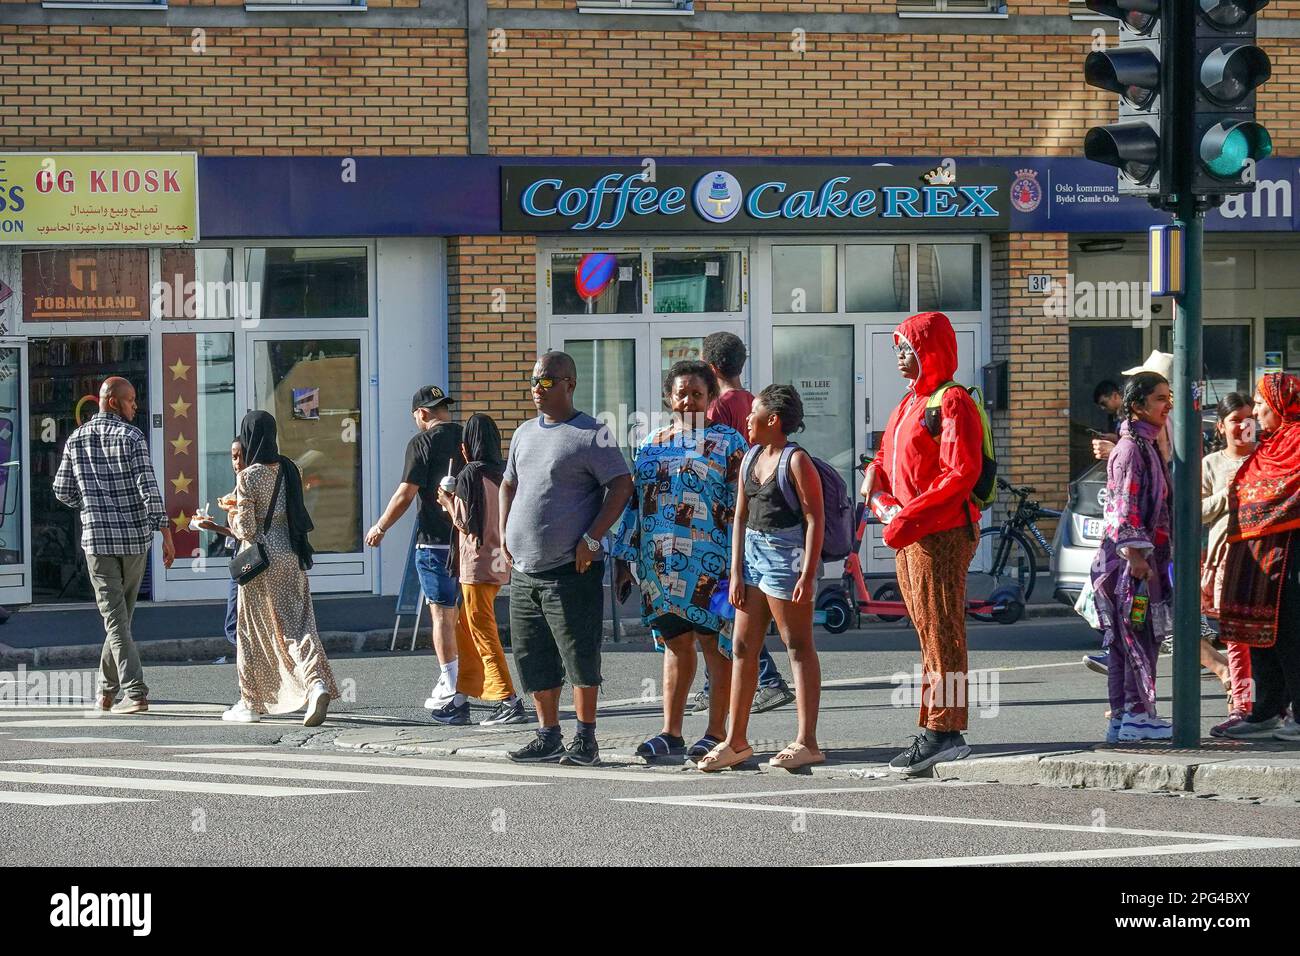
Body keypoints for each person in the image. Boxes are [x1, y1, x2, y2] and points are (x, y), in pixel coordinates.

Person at [860, 312, 984, 773]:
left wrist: (908, 516)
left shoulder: (951, 402)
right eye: (897, 348)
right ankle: (938, 727)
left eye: (907, 348)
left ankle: (945, 731)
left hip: (939, 532)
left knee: (942, 631)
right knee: (930, 631)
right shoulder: (910, 402)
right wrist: (875, 471)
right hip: (912, 532)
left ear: (929, 350)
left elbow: (961, 472)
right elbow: (889, 453)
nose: (899, 356)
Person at [500, 351, 633, 766]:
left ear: (569, 384)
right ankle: (547, 734)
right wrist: (503, 532)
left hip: (569, 570)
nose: (536, 389)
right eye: (533, 380)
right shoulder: (524, 432)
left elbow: (622, 486)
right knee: (531, 656)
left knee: (579, 653)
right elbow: (509, 483)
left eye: (546, 381)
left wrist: (593, 538)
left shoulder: (593, 433)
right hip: (524, 570)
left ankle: (586, 739)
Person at [613, 360, 747, 761]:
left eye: (697, 393)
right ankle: (671, 732)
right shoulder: (651, 443)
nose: (688, 400)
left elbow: (743, 509)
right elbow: (634, 504)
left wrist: (741, 566)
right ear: (668, 398)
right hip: (659, 566)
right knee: (674, 643)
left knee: (716, 643)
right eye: (681, 393)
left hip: (716, 567)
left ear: (710, 398)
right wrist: (622, 559)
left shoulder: (729, 443)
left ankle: (715, 731)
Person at [700, 384, 824, 772]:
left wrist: (807, 572)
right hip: (752, 559)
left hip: (787, 560)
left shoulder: (796, 461)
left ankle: (807, 742)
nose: (746, 418)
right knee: (741, 646)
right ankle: (735, 741)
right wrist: (735, 571)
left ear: (773, 420)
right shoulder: (751, 454)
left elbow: (813, 518)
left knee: (797, 645)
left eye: (753, 413)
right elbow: (739, 516)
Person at [53, 377, 175, 715]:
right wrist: (165, 532)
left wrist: (88, 502)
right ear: (111, 402)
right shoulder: (133, 437)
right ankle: (134, 692)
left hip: (97, 540)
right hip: (134, 541)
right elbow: (148, 487)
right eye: (131, 400)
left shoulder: (76, 440)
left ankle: (107, 692)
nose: (135, 405)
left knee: (116, 620)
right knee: (119, 620)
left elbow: (61, 490)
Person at [696, 330, 795, 715]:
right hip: (753, 513)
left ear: (710, 367)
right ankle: (721, 682)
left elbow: (713, 460)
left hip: (725, 515)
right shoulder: (752, 402)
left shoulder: (717, 407)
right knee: (733, 602)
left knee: (722, 602)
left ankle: (764, 680)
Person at [220, 411, 338, 726]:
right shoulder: (289, 468)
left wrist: (231, 512)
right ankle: (316, 684)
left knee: (251, 632)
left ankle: (251, 702)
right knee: (300, 627)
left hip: (260, 562)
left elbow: (245, 528)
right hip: (291, 553)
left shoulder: (247, 476)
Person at [366, 386, 467, 720]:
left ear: (421, 413)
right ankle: (465, 683)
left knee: (441, 615)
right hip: (467, 540)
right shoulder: (468, 437)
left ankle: (451, 687)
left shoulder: (421, 443)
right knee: (463, 617)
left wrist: (380, 527)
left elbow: (406, 493)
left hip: (434, 542)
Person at [1089, 372, 1174, 743]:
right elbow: (1124, 507)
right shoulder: (1131, 449)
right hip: (1131, 564)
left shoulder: (1144, 444)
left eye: (1169, 397)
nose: (1167, 405)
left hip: (1135, 560)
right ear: (1138, 405)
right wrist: (1137, 556)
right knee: (1137, 639)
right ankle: (1137, 716)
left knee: (1126, 643)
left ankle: (1124, 719)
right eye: (1159, 398)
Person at [1217, 373, 1300, 742]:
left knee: (1290, 635)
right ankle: (1267, 709)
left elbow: (1281, 492)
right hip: (1256, 557)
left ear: (1281, 406)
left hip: (1289, 558)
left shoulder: (1296, 441)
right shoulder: (1269, 445)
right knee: (1261, 636)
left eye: (1263, 404)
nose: (1257, 411)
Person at [437, 413, 529, 727]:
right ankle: (462, 697)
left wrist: (447, 501)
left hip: (475, 562)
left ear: (467, 447)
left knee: (481, 630)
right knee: (465, 628)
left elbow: (463, 521)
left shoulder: (469, 474)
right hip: (499, 559)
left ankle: (508, 699)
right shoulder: (501, 472)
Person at [1201, 393, 1256, 737]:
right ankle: (1241, 705)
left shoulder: (1267, 458)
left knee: (1269, 638)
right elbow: (1193, 509)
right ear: (1221, 426)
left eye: (1250, 417)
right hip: (1225, 560)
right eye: (1236, 419)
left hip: (1265, 560)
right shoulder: (1210, 464)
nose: (1245, 425)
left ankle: (1273, 707)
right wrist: (1228, 495)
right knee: (1235, 640)